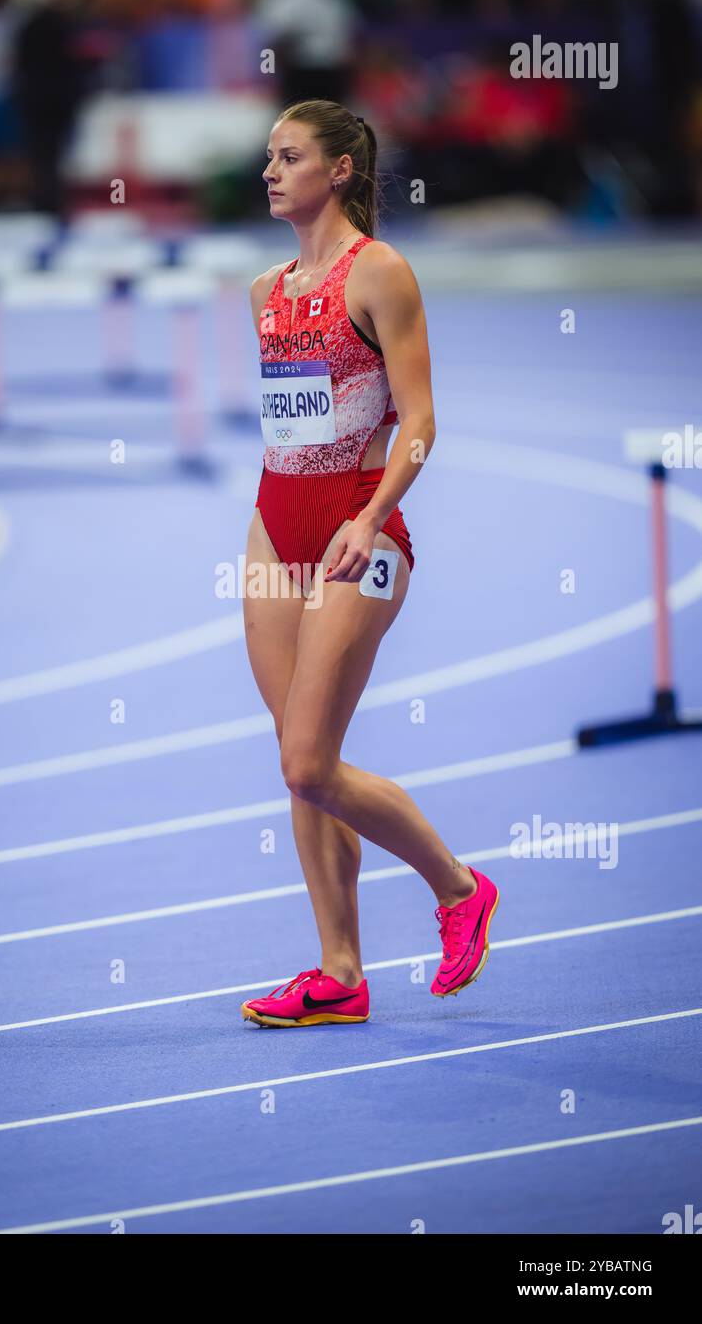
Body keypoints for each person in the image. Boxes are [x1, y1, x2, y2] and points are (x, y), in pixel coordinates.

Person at [241, 99, 499, 1028]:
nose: (269, 171)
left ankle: (459, 888)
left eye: (290, 156)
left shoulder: (379, 272)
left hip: (363, 536)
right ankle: (339, 972)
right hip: (275, 531)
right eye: (266, 157)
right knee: (297, 761)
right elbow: (289, 426)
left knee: (312, 765)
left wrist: (374, 513)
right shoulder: (266, 290)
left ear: (341, 169)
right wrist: (278, 526)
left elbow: (420, 423)